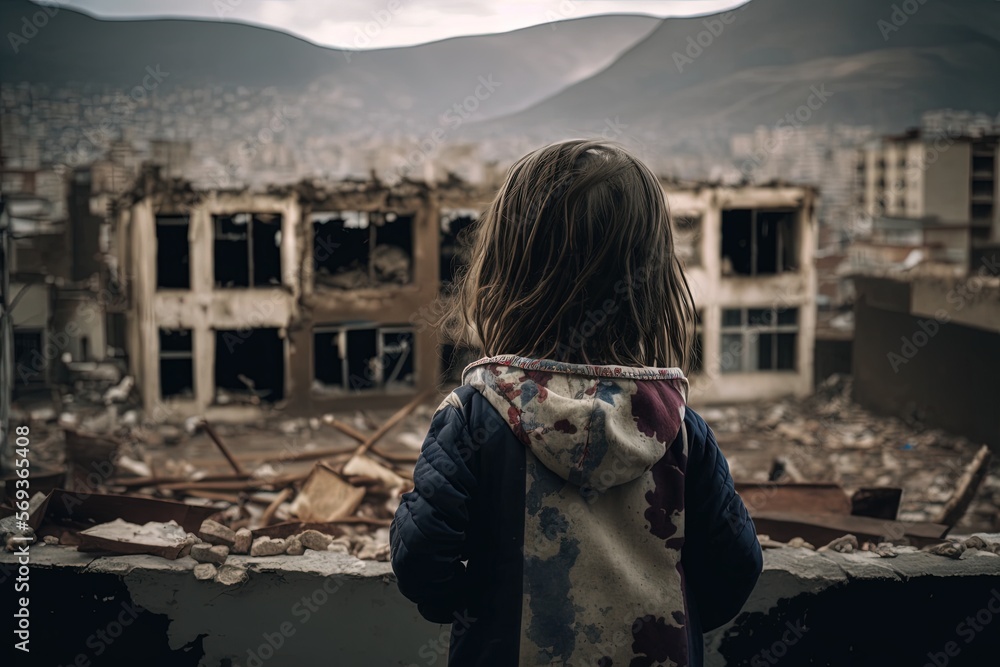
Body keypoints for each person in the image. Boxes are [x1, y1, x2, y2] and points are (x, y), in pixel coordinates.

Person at [390, 139, 763, 666]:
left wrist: (487, 610)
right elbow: (736, 569)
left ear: (505, 270)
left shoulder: (475, 417)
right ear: (654, 281)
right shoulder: (677, 429)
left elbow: (422, 563)